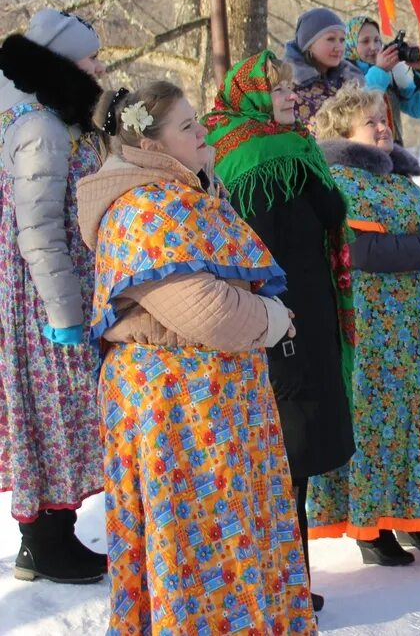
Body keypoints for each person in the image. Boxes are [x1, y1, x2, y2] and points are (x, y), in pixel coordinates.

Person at [77, 81, 315, 634]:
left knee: (226, 537)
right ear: (152, 145)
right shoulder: (145, 209)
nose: (203, 132)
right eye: (187, 126)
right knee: (199, 540)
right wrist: (272, 320)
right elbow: (205, 309)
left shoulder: (181, 195)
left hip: (208, 404)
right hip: (180, 412)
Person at [203, 51, 356, 610]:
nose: (293, 96)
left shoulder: (291, 147)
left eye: (291, 87)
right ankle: (279, 585)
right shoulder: (252, 154)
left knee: (293, 461)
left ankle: (291, 580)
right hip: (278, 325)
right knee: (281, 455)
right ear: (249, 97)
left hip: (302, 317)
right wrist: (275, 323)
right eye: (278, 89)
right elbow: (256, 247)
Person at [307, 86, 420, 565]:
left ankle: (415, 512)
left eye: (384, 119)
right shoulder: (339, 182)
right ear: (344, 132)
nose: (384, 127)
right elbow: (363, 252)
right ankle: (372, 525)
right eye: (371, 122)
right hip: (375, 329)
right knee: (379, 425)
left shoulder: (401, 181)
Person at [0, 9, 108, 584]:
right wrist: (65, 312)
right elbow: (38, 227)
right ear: (64, 61)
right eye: (91, 57)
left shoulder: (50, 117)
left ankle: (38, 541)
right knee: (53, 413)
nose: (99, 66)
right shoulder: (40, 126)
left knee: (52, 415)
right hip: (46, 296)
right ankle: (47, 541)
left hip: (53, 286)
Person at [344, 16, 420, 143]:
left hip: (393, 150)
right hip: (362, 153)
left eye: (377, 40)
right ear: (351, 44)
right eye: (365, 41)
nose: (374, 47)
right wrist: (380, 71)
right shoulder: (342, 74)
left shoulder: (390, 73)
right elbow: (357, 112)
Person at [284, 7, 365, 128]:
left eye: (342, 40)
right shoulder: (288, 87)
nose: (339, 47)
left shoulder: (348, 81)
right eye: (331, 39)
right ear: (309, 44)